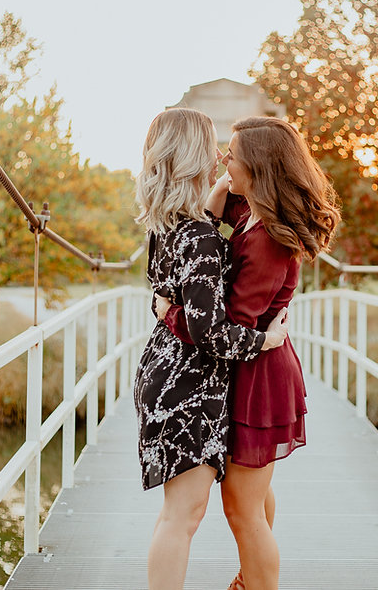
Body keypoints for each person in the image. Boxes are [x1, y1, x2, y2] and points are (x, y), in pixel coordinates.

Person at [155, 116, 341, 590]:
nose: (222, 160)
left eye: (232, 154)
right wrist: (215, 209)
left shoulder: (267, 241)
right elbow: (202, 236)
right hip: (254, 364)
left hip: (258, 374)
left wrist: (169, 313)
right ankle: (252, 572)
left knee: (242, 509)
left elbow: (228, 328)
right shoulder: (252, 212)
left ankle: (258, 578)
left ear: (256, 166)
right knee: (253, 500)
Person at [133, 108, 290, 590]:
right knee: (183, 515)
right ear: (196, 157)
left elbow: (178, 293)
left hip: (163, 371)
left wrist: (219, 202)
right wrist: (266, 340)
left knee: (184, 513)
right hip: (189, 383)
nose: (223, 157)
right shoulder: (200, 236)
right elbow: (212, 333)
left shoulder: (168, 224)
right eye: (215, 148)